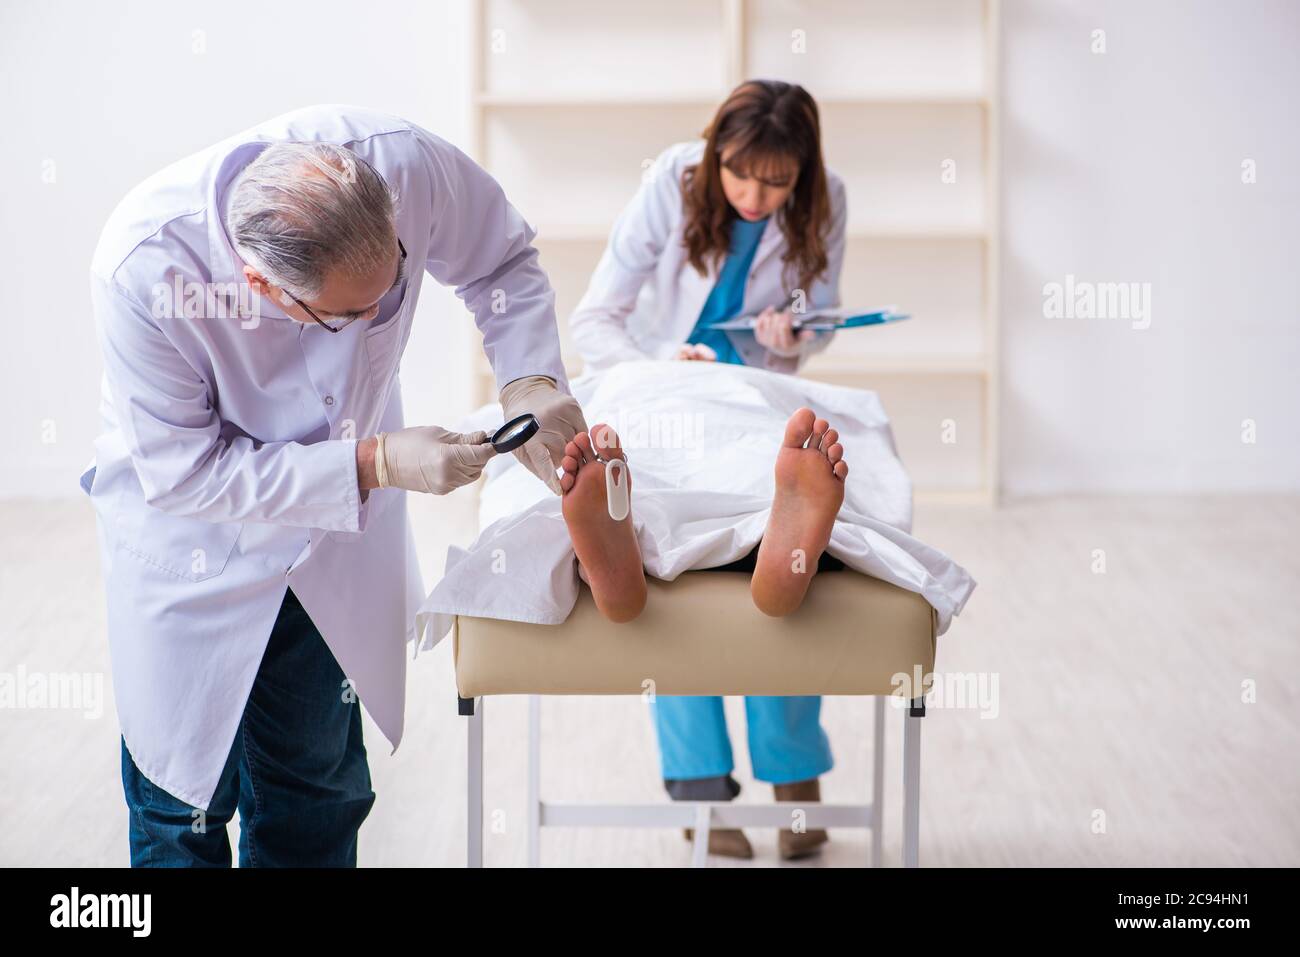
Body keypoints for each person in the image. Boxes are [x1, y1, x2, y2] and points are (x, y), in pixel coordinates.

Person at [81, 105, 585, 866]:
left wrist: (531, 377)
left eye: (391, 291)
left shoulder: (405, 165)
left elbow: (499, 260)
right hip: (193, 545)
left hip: (332, 543)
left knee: (317, 795)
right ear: (262, 286)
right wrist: (370, 464)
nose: (384, 315)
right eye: (355, 312)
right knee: (180, 812)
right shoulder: (145, 270)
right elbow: (187, 470)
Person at [566, 80, 848, 859]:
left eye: (778, 181)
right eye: (740, 175)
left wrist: (788, 334)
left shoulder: (829, 201)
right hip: (659, 393)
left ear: (805, 173)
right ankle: (717, 792)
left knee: (778, 549)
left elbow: (818, 324)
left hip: (757, 400)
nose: (756, 195)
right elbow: (595, 317)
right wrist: (663, 362)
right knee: (682, 559)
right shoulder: (672, 182)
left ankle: (780, 784)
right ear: (714, 155)